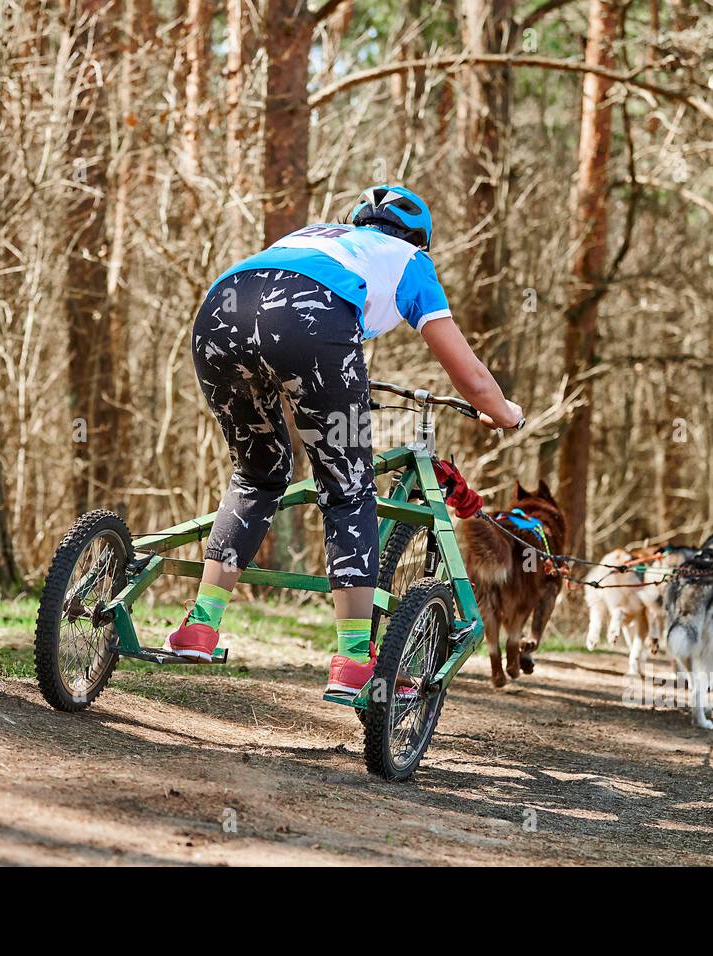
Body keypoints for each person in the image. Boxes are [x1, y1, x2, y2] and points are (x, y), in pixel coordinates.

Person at [167, 184, 523, 695]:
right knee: (348, 486)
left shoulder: (312, 236)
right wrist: (504, 413)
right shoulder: (412, 260)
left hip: (218, 318)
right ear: (420, 238)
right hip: (310, 326)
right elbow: (470, 377)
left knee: (258, 473)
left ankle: (200, 626)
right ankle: (355, 657)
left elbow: (274, 312)